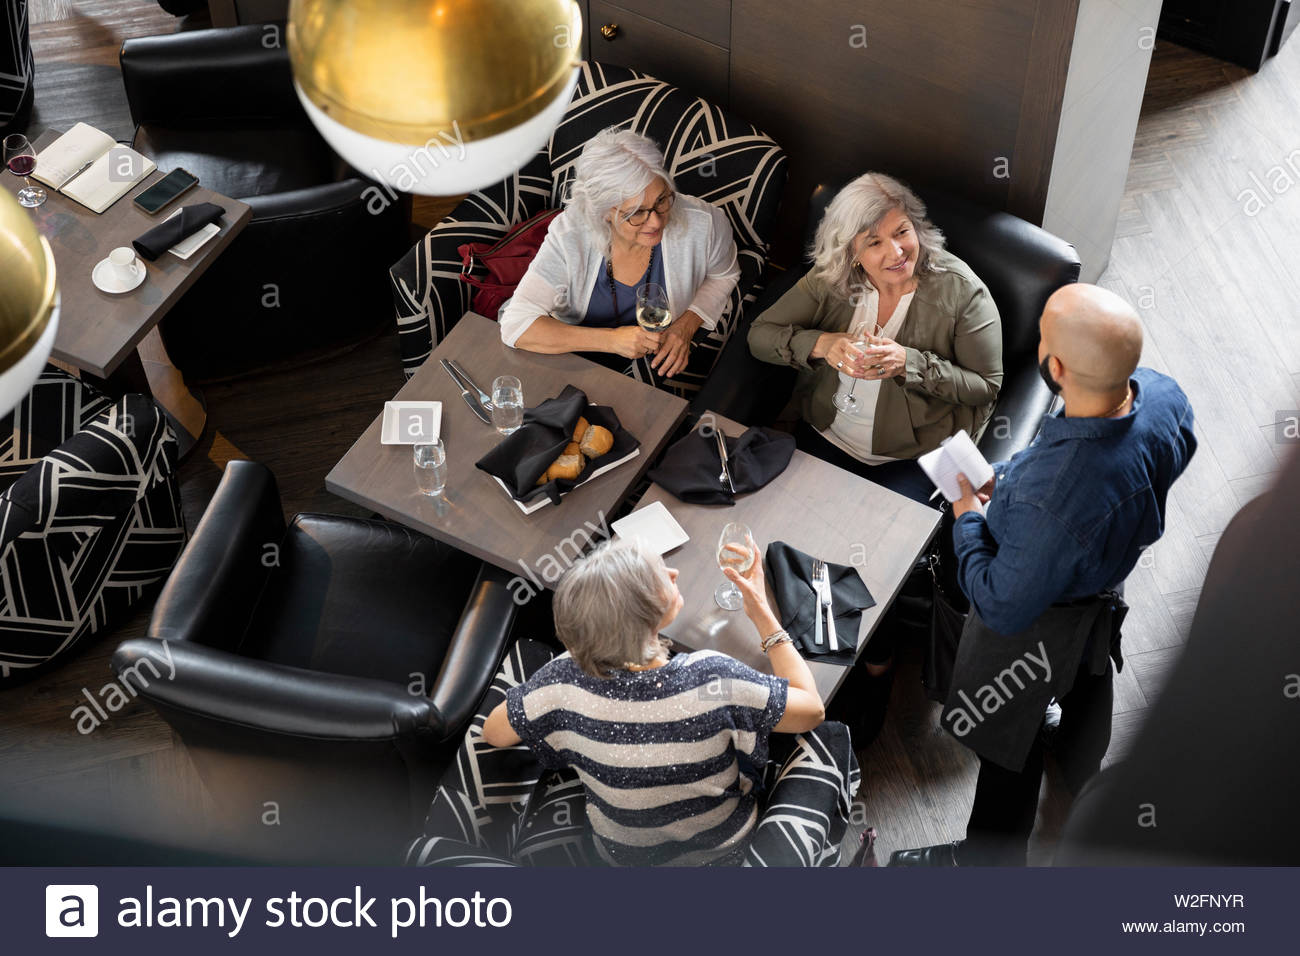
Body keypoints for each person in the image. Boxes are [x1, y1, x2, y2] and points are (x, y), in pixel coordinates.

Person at [890, 283, 1197, 867]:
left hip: (1035, 626)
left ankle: (988, 862)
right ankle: (1079, 770)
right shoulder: (1165, 396)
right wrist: (1004, 480)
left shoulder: (1052, 502)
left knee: (1009, 743)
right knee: (1088, 680)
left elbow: (1002, 601)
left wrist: (968, 515)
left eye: (1043, 339)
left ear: (1053, 365)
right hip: (1101, 584)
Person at [406, 537, 862, 868]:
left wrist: (573, 661)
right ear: (647, 618)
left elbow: (494, 732)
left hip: (621, 857)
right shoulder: (712, 675)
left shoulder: (560, 683)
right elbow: (813, 709)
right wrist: (762, 610)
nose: (674, 573)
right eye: (660, 575)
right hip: (723, 849)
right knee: (818, 733)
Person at [747, 172, 1002, 503]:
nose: (896, 253)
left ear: (917, 228)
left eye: (901, 233)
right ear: (852, 250)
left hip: (910, 458)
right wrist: (821, 344)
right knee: (789, 531)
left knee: (876, 550)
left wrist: (908, 363)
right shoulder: (831, 278)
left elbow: (986, 387)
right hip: (824, 432)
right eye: (874, 242)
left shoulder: (963, 293)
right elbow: (760, 336)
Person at [499, 128, 740, 389]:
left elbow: (723, 275)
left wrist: (686, 326)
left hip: (647, 372)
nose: (656, 221)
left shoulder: (704, 223)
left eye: (661, 200)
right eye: (636, 213)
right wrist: (611, 341)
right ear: (603, 212)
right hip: (569, 355)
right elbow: (517, 324)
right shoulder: (570, 235)